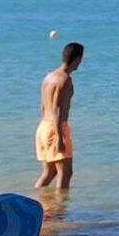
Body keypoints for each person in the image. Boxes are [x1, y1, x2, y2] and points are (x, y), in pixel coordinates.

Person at [35, 43, 83, 191]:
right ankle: (59, 212)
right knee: (66, 173)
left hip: (43, 127)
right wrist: (59, 137)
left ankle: (35, 203)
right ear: (77, 59)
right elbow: (58, 110)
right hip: (57, 127)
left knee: (50, 172)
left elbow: (43, 106)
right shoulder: (65, 80)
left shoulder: (49, 77)